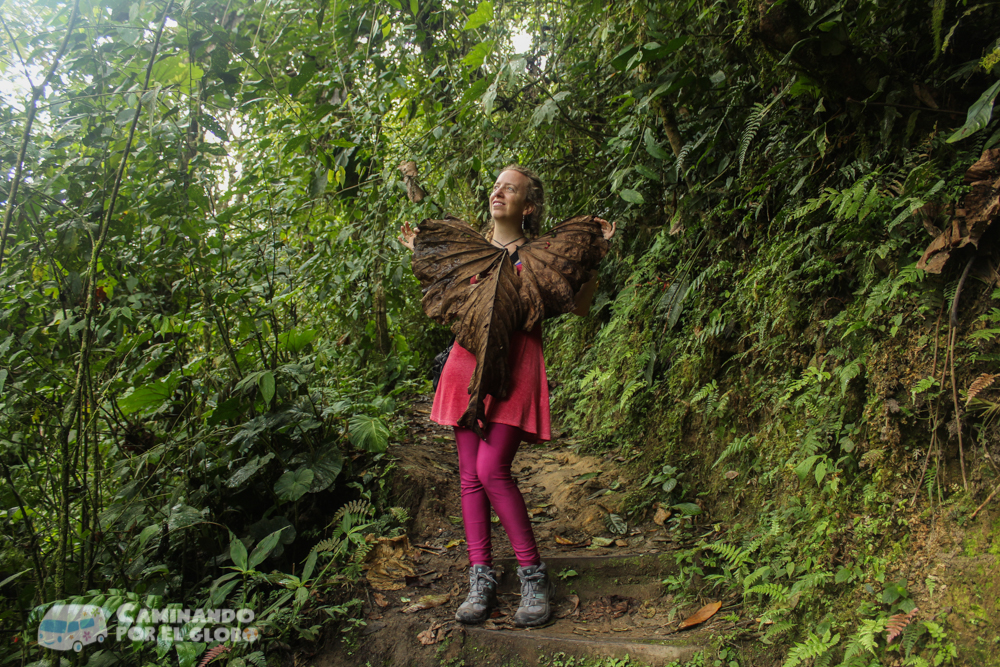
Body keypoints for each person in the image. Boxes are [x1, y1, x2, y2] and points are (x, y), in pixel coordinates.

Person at [399, 164, 615, 627]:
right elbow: (444, 298)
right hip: (464, 366)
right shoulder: (469, 251)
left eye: (510, 188)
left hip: (518, 366)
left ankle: (533, 576)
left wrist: (594, 259)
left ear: (528, 205)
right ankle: (481, 579)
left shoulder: (544, 254)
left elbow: (576, 306)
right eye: (496, 186)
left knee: (491, 469)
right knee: (469, 478)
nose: (498, 192)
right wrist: (423, 251)